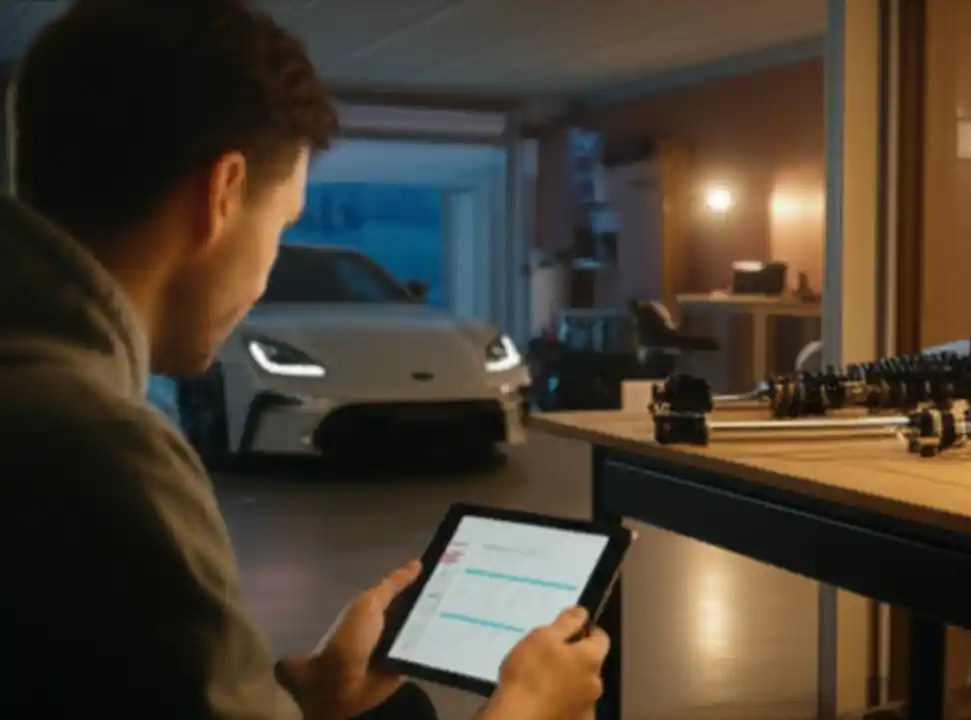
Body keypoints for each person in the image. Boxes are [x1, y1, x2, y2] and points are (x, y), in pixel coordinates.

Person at [0, 1, 609, 718]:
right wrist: (527, 711)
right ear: (223, 193)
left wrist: (310, 702)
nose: (262, 275)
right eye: (281, 226)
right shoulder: (100, 453)